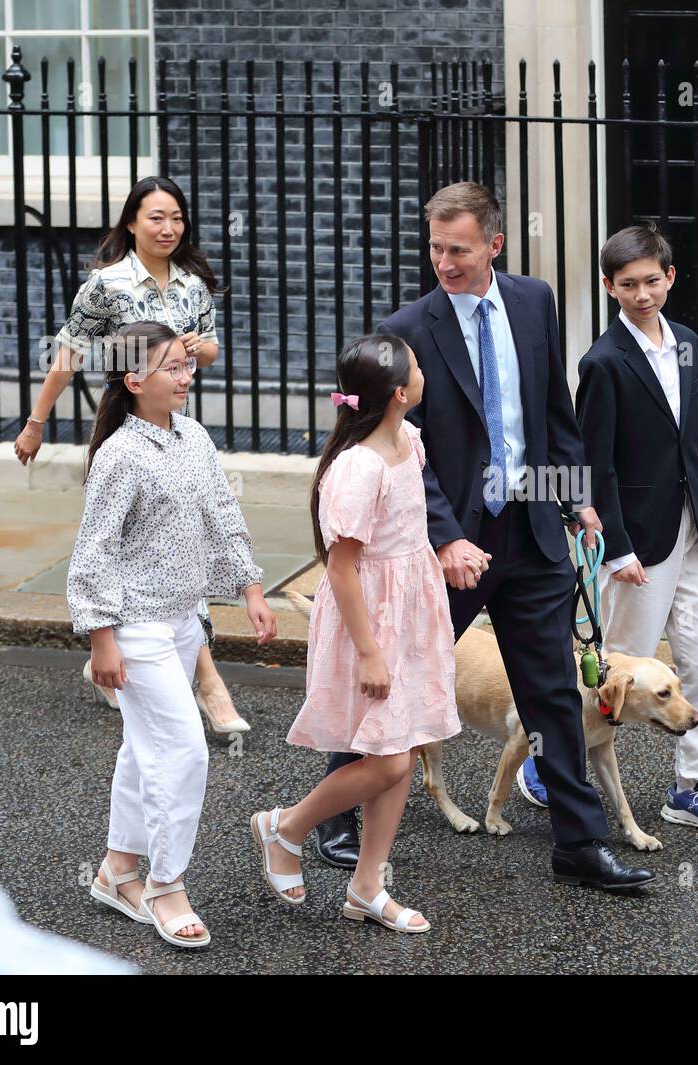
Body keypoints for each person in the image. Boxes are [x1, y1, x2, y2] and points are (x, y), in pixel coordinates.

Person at [315, 182, 654, 892]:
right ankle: (335, 815)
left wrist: (573, 496)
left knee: (554, 688)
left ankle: (578, 843)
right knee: (397, 671)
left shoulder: (533, 302)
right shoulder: (408, 325)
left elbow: (552, 413)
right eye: (436, 247)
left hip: (530, 531)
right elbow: (400, 442)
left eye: (459, 249)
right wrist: (442, 536)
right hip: (450, 543)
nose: (444, 261)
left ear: (495, 244)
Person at [517, 224, 698, 835]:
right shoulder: (603, 362)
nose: (642, 294)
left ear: (670, 277)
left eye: (651, 281)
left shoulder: (689, 343)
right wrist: (614, 547)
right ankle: (549, 764)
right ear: (608, 287)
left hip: (694, 531)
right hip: (637, 545)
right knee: (609, 678)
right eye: (627, 285)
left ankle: (691, 789)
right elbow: (596, 463)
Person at [15, 176, 249, 736]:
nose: (168, 229)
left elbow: (212, 347)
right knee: (127, 544)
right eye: (155, 218)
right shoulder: (108, 284)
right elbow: (69, 352)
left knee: (177, 543)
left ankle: (133, 653)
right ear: (130, 223)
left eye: (176, 218)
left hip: (178, 422)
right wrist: (36, 422)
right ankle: (206, 680)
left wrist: (195, 349)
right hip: (126, 424)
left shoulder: (192, 282)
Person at [69, 321, 276, 948]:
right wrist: (101, 639)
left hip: (185, 621)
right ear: (135, 381)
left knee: (144, 750)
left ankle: (116, 870)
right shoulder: (118, 455)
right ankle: (167, 884)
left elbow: (222, 512)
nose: (187, 376)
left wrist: (251, 589)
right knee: (183, 750)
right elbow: (93, 553)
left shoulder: (193, 436)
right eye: (173, 368)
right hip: (135, 628)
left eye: (187, 366)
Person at [250, 333, 459, 933]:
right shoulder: (359, 468)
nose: (424, 370)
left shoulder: (407, 440)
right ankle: (285, 826)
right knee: (390, 762)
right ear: (399, 393)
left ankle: (368, 886)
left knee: (403, 742)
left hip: (412, 607)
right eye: (417, 367)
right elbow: (340, 568)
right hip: (372, 617)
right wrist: (369, 652)